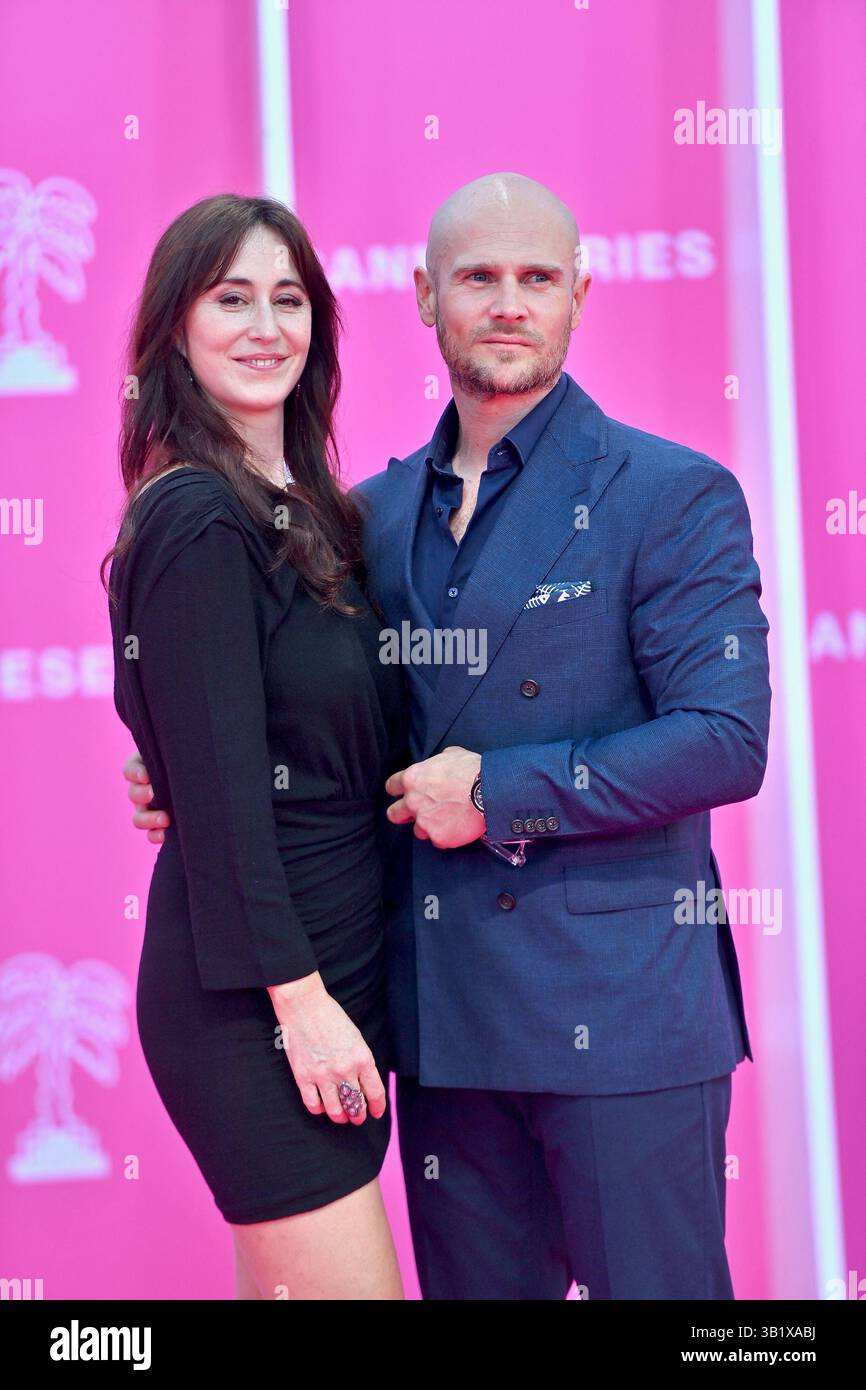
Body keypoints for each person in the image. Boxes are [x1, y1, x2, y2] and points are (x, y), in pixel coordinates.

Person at [124, 173, 772, 1300]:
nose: (507, 303)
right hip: (436, 1030)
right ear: (424, 296)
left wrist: (500, 792)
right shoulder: (357, 517)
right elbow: (296, 705)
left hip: (620, 1025)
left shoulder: (671, 495)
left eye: (535, 279)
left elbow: (723, 740)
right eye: (477, 277)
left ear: (580, 292)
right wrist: (186, 761)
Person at [105, 193, 406, 1301]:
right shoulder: (196, 517)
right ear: (177, 328)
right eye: (230, 298)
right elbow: (230, 803)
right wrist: (302, 1006)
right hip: (260, 1010)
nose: (265, 324)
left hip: (330, 983)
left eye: (287, 298)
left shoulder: (313, 510)